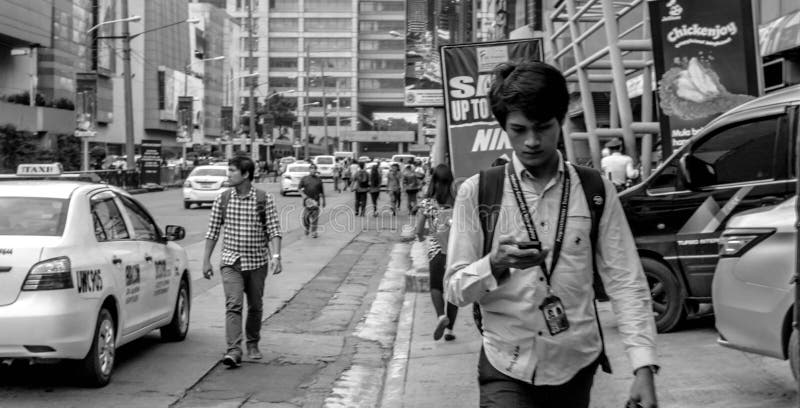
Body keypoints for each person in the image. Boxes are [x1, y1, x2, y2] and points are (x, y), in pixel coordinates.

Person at [444, 61, 658, 408]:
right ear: (505, 128)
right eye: (518, 129)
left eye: (542, 127)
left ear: (560, 121)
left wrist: (643, 366)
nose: (531, 141)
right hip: (506, 364)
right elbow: (455, 289)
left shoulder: (595, 190)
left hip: (576, 365)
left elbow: (626, 280)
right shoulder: (477, 192)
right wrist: (495, 263)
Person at [202, 156, 283, 368]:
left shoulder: (264, 199)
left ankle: (253, 342)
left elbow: (274, 230)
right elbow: (212, 231)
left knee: (255, 305)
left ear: (245, 174)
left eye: (232, 171)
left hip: (257, 263)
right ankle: (234, 350)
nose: (228, 174)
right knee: (234, 304)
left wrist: (276, 256)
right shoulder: (223, 198)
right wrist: (206, 261)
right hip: (231, 262)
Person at [416, 164, 458, 342]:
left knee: (435, 287)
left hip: (436, 251)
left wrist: (422, 236)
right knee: (453, 291)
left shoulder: (428, 203)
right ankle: (449, 331)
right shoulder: (458, 200)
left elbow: (418, 230)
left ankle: (441, 316)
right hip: (456, 251)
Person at [299, 163, 326, 238]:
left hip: (316, 201)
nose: (313, 170)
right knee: (305, 217)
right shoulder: (304, 178)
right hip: (307, 202)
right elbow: (299, 188)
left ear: (316, 170)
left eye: (314, 168)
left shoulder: (319, 180)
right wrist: (304, 196)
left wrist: (324, 201)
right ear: (309, 169)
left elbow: (322, 192)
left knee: (315, 218)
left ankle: (314, 232)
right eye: (311, 168)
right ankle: (307, 228)